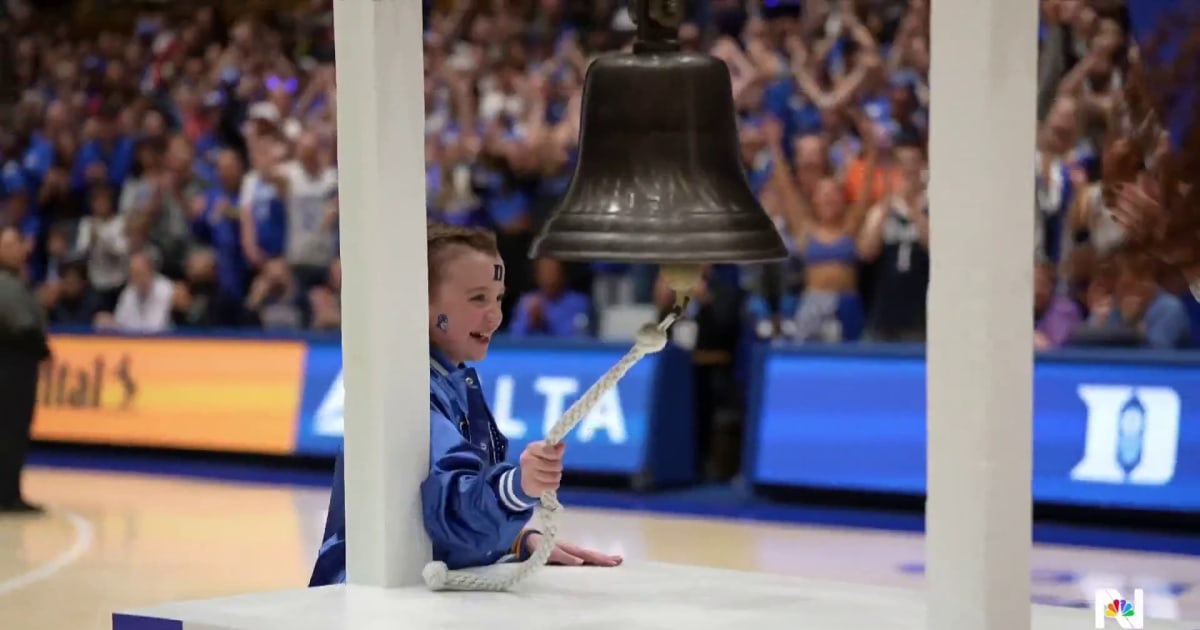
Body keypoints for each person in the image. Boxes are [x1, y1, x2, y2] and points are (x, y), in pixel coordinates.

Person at [309, 223, 621, 587]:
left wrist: (516, 540)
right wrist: (516, 487)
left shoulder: (455, 379)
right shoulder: (408, 390)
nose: (495, 316)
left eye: (499, 298)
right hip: (368, 602)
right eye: (477, 298)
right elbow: (450, 504)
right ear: (419, 301)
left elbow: (434, 525)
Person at [0, 225, 50, 514]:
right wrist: (41, 348)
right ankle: (7, 494)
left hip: (18, 364)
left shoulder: (18, 282)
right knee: (10, 429)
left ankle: (10, 490)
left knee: (14, 430)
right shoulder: (6, 284)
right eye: (8, 245)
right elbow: (22, 326)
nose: (16, 250)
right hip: (11, 367)